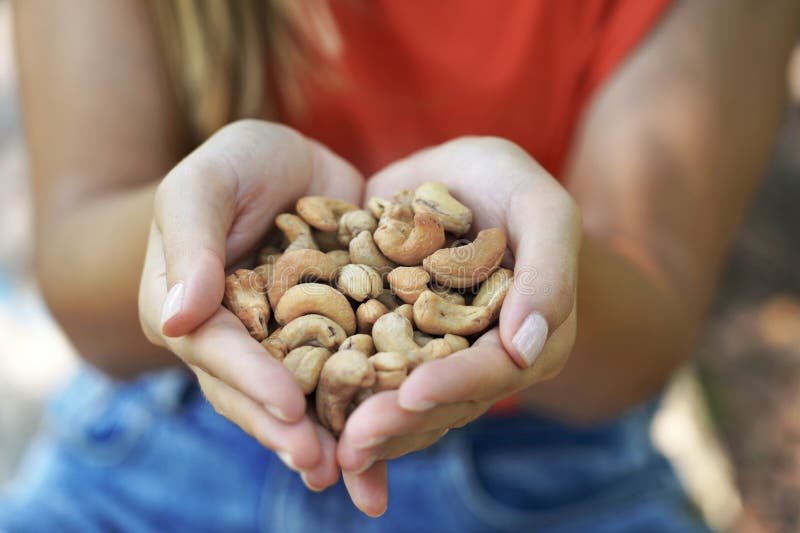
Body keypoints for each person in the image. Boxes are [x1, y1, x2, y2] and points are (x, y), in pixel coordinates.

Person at [2, 0, 797, 531]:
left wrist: (541, 272)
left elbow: (652, 313)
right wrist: (199, 226)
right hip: (168, 430)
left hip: (545, 461)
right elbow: (74, 264)